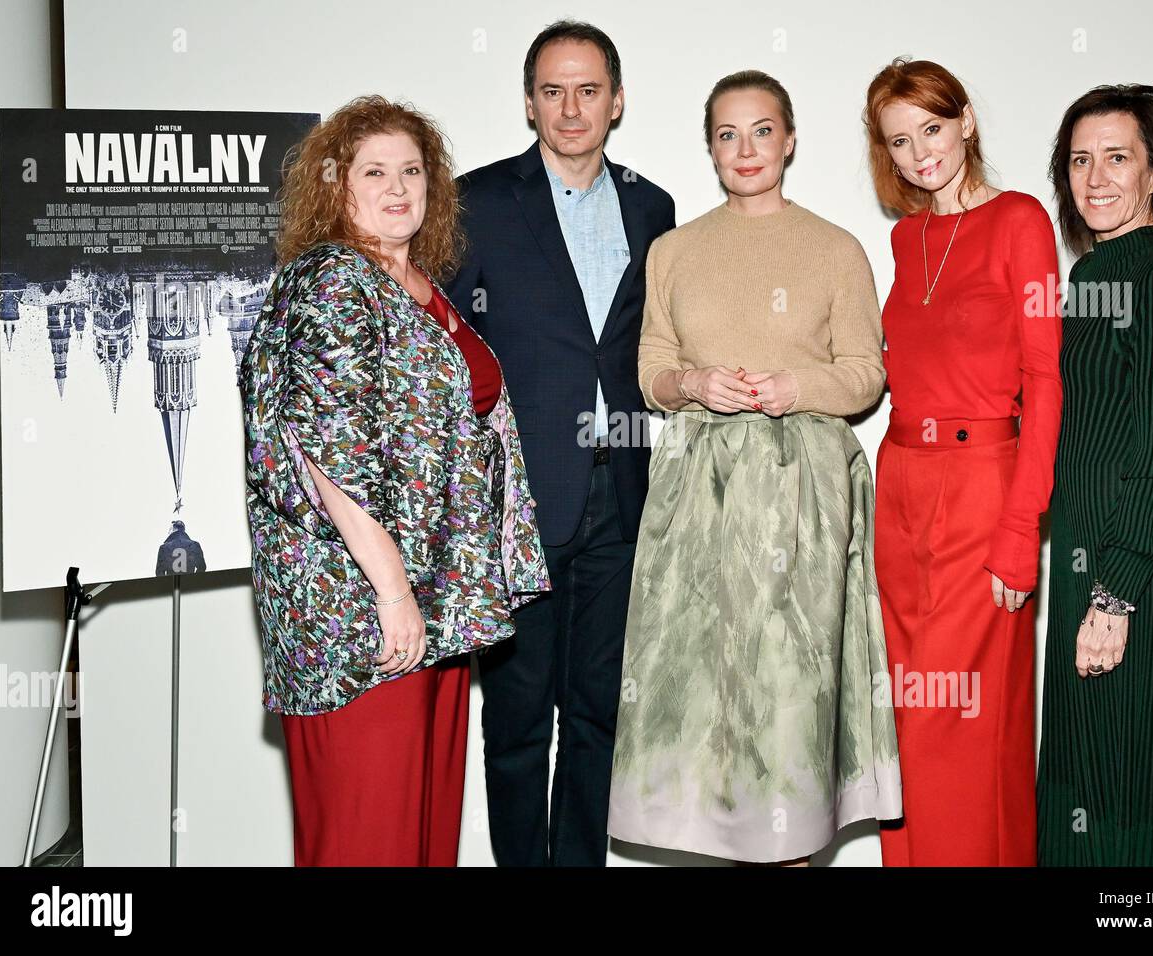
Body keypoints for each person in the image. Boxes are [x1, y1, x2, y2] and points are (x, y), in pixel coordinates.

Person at [240, 94, 548, 866]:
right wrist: (392, 592)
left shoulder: (417, 283)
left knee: (419, 838)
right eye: (374, 171)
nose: (397, 187)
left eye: (412, 170)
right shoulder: (334, 280)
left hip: (430, 609)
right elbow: (323, 451)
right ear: (335, 184)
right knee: (366, 838)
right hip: (358, 616)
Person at [606, 70, 902, 866]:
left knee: (787, 696)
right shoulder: (673, 251)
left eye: (762, 130)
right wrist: (693, 384)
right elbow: (651, 369)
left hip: (803, 487)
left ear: (791, 139)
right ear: (709, 147)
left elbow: (866, 374)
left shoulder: (835, 249)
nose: (746, 149)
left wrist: (793, 387)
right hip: (696, 488)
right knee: (703, 693)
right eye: (728, 134)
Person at [444, 20, 674, 867]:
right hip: (520, 504)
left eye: (588, 90)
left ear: (617, 101)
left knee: (597, 713)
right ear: (529, 102)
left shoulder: (655, 206)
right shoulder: (475, 201)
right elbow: (447, 346)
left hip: (621, 494)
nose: (570, 108)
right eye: (552, 90)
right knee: (515, 718)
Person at [862, 57, 1063, 865]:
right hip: (901, 487)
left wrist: (1023, 528)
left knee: (966, 730)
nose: (920, 155)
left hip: (985, 489)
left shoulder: (1020, 221)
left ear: (967, 121)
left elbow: (1046, 383)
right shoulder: (905, 238)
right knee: (906, 723)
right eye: (900, 141)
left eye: (932, 129)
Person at [1037, 84, 1153, 865]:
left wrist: (1113, 597)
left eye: (1118, 157)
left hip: (1134, 572)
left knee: (1138, 792)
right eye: (1080, 160)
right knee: (1090, 785)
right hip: (1087, 562)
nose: (1096, 178)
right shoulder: (1092, 278)